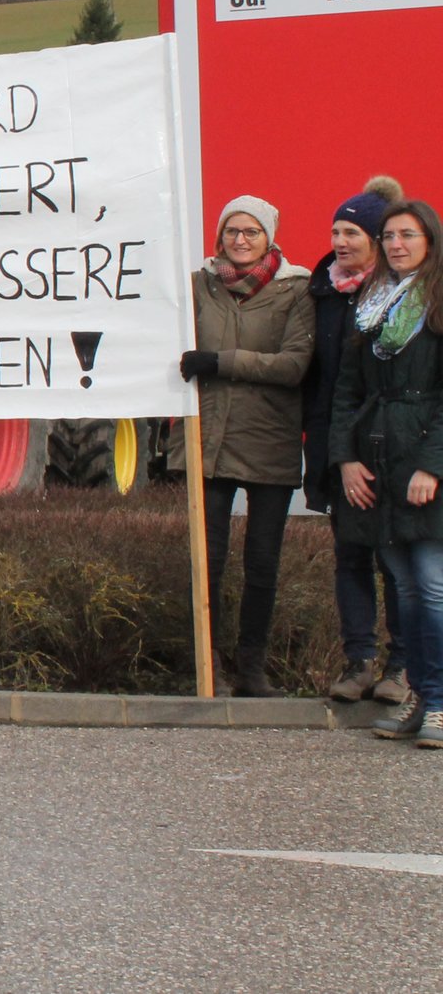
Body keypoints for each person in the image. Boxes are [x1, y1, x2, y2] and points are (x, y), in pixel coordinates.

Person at [180, 194, 314, 697]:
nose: (240, 240)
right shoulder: (199, 285)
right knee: (207, 560)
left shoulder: (295, 290)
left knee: (261, 563)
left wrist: (220, 362)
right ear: (220, 238)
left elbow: (293, 363)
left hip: (270, 440)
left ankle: (252, 669)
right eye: (232, 231)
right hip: (210, 440)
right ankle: (207, 662)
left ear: (269, 238)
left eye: (251, 232)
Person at [330, 200, 443, 746]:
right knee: (403, 588)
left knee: (433, 588)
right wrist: (345, 457)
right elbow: (348, 392)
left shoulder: (437, 300)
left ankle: (441, 704)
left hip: (423, 463)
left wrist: (431, 466)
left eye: (408, 235)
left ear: (429, 240)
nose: (397, 244)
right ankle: (420, 701)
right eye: (390, 235)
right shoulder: (371, 305)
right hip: (376, 460)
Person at [305, 177, 409, 704]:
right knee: (350, 557)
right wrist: (330, 454)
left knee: (395, 560)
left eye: (351, 232)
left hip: (386, 448)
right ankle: (360, 661)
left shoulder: (397, 296)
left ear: (376, 239)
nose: (340, 241)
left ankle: (402, 668)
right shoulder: (322, 290)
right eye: (335, 230)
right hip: (334, 445)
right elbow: (323, 380)